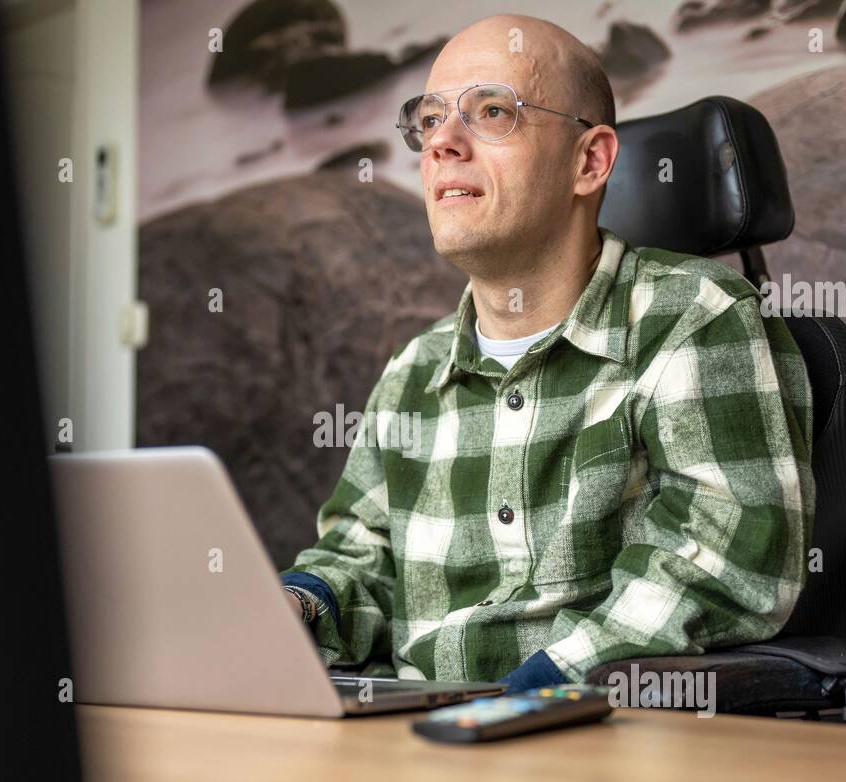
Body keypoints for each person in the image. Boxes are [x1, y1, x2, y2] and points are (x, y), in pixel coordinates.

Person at [279, 14, 815, 693]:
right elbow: (365, 555)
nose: (442, 142)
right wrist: (295, 607)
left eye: (491, 111)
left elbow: (717, 561)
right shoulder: (415, 368)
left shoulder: (694, 319)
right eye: (430, 118)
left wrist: (528, 695)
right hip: (415, 742)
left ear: (589, 161)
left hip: (602, 746)